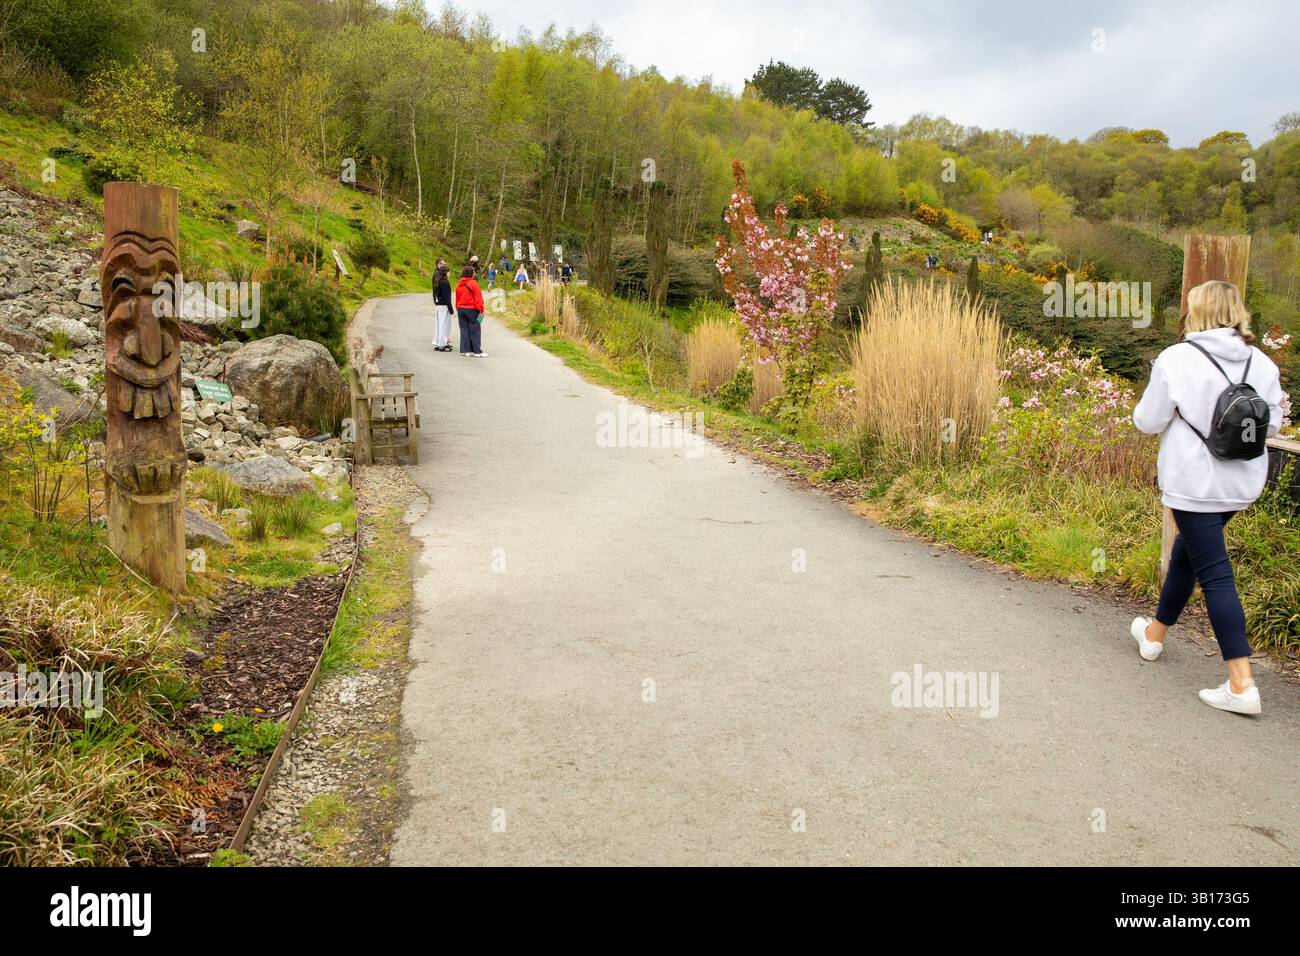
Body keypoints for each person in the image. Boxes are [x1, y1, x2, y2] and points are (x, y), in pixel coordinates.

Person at [1130, 279, 1283, 715]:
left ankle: (1241, 682)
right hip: (1239, 485)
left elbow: (1147, 421)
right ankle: (1154, 636)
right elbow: (1270, 426)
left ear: (1196, 311)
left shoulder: (1177, 358)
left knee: (1215, 574)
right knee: (1189, 555)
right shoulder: (1263, 363)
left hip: (1194, 484)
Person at [455, 265, 487, 357]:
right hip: (472, 309)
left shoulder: (459, 283)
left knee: (464, 329)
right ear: (472, 274)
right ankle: (477, 351)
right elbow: (478, 297)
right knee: (475, 329)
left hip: (461, 309)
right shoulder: (473, 283)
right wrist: (481, 309)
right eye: (474, 272)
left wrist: (457, 307)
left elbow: (457, 297)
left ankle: (466, 350)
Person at [431, 259, 453, 352]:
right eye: (449, 272)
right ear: (446, 273)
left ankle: (437, 342)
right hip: (444, 306)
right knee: (444, 325)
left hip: (439, 305)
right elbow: (447, 297)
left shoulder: (439, 280)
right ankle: (442, 345)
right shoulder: (444, 282)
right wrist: (451, 309)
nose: (450, 274)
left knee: (439, 325)